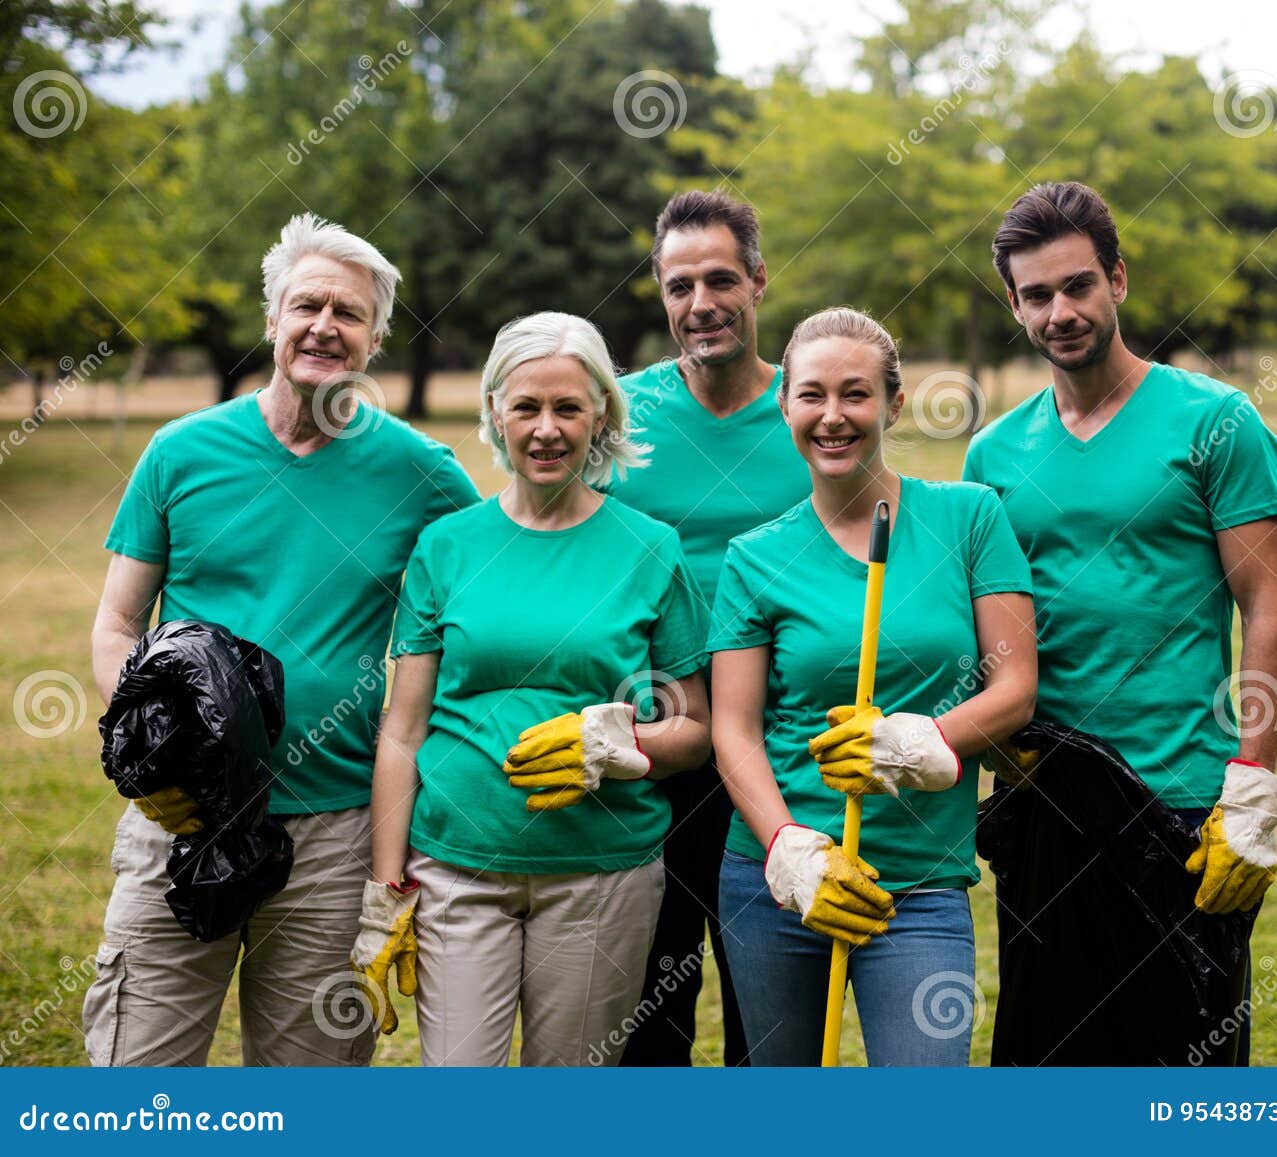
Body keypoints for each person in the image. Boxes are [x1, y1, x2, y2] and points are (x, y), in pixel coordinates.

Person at [83, 213, 481, 1066]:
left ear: (374, 338)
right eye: (308, 304)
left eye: (349, 313)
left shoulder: (422, 473)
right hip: (179, 823)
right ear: (272, 319)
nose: (324, 326)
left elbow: (489, 598)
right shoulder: (181, 451)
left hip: (335, 832)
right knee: (135, 1072)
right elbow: (119, 621)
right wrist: (150, 755)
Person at [963, 181, 1277, 1064]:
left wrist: (1251, 787)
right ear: (1015, 304)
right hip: (1046, 803)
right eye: (1038, 295)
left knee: (1184, 1068)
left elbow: (1269, 603)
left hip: (1183, 804)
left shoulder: (1216, 422)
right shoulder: (992, 453)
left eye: (1078, 286)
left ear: (1118, 278)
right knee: (1050, 1061)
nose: (1061, 311)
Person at [356, 312, 712, 1067]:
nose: (547, 429)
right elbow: (402, 729)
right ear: (495, 411)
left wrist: (623, 746)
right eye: (526, 407)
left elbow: (696, 729)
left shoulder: (652, 548)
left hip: (602, 875)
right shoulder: (447, 546)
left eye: (568, 408)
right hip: (456, 870)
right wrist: (387, 882)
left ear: (602, 417)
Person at [709, 307, 1037, 1066]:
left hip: (919, 882)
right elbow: (734, 727)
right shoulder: (753, 558)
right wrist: (788, 847)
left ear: (893, 403)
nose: (833, 416)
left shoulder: (969, 517)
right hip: (780, 884)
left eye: (855, 394)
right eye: (812, 395)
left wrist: (920, 737)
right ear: (783, 405)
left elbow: (1016, 685)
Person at [607, 190, 810, 1066]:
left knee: (769, 1004)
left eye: (721, 278)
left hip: (782, 741)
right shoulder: (615, 415)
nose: (701, 303)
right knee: (651, 996)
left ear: (759, 280)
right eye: (679, 284)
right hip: (657, 741)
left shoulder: (813, 409)